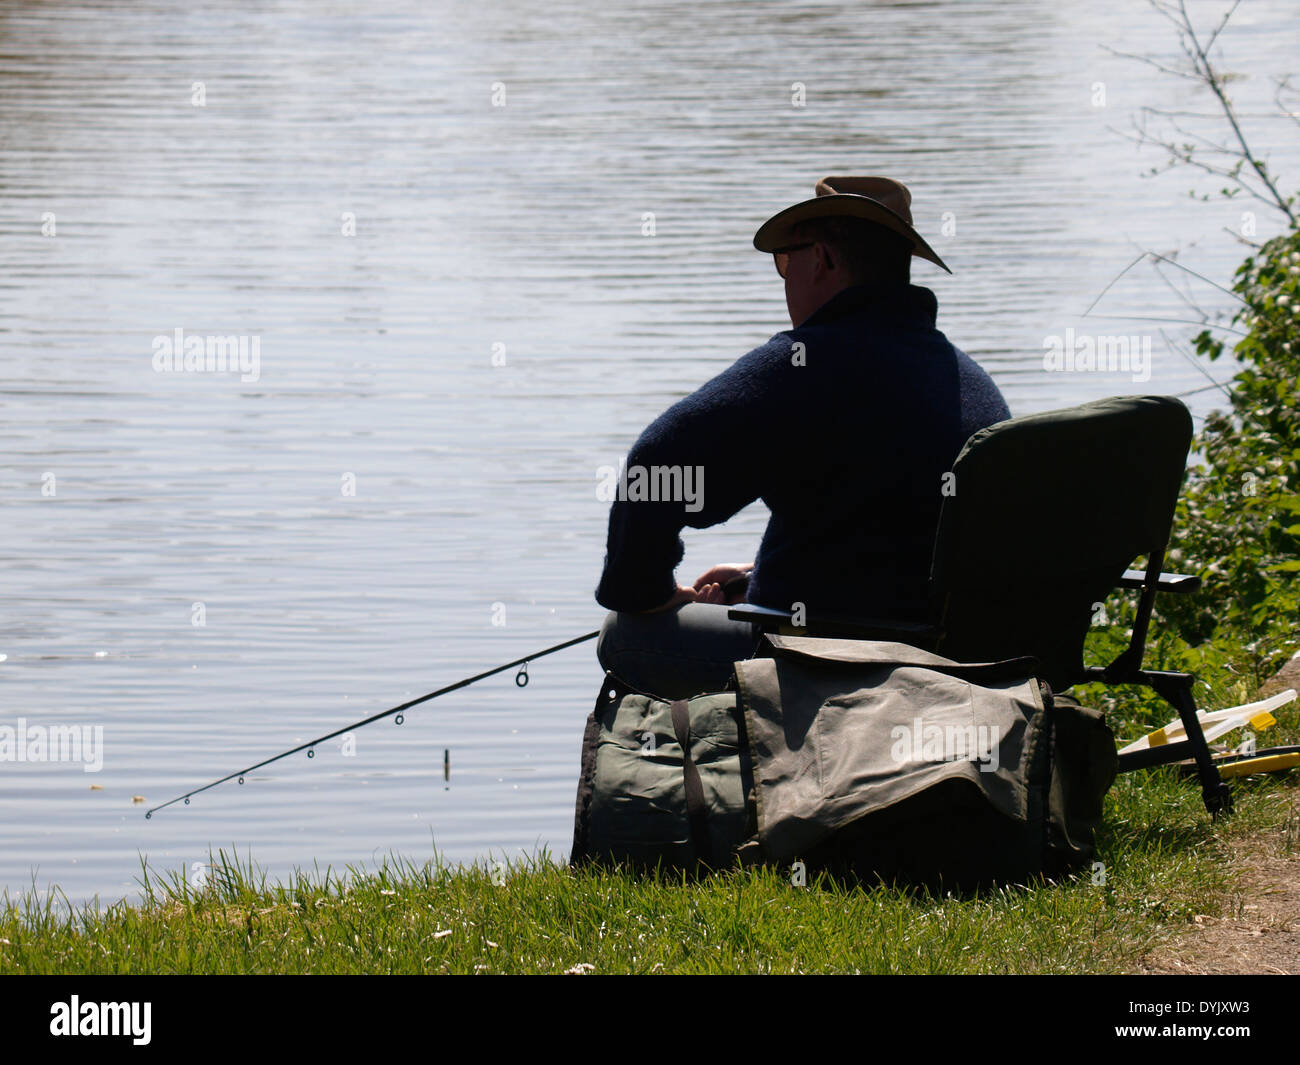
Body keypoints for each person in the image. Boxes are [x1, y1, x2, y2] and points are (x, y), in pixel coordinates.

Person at [594, 176, 1010, 699]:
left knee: (626, 636)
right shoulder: (966, 380)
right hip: (956, 654)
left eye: (786, 262)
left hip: (831, 660)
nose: (785, 279)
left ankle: (742, 767)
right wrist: (756, 576)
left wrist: (648, 594)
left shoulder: (802, 366)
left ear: (821, 261)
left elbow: (655, 469)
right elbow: (889, 527)